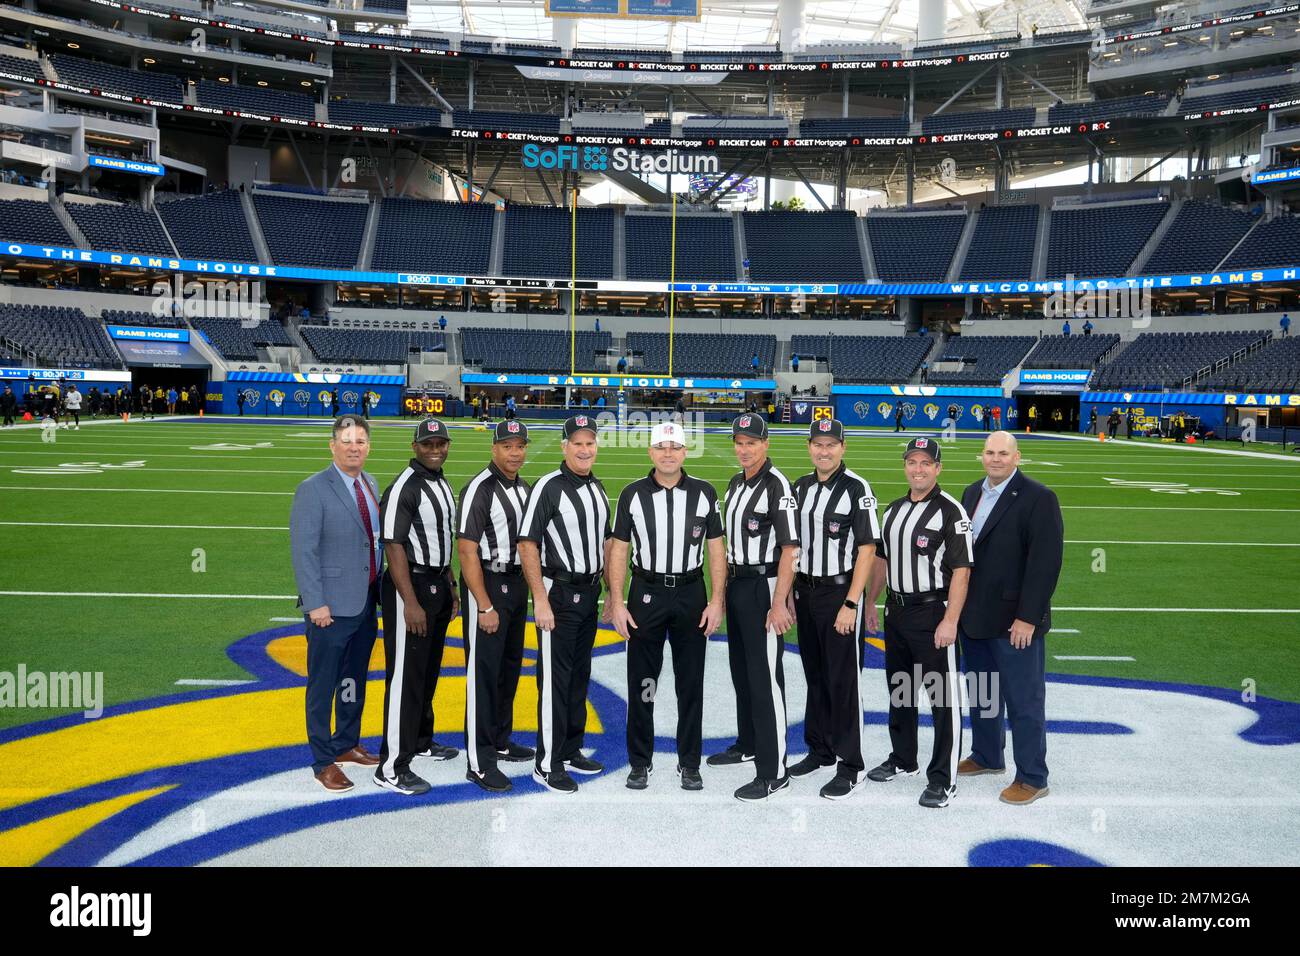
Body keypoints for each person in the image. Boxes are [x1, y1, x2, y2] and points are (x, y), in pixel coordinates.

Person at [606, 420, 724, 792]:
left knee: (690, 685)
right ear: (651, 452)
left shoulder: (705, 493)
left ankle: (689, 763)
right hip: (646, 593)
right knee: (644, 682)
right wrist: (617, 601)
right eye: (661, 447)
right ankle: (640, 762)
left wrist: (717, 599)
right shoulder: (632, 494)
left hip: (691, 593)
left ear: (685, 452)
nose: (668, 453)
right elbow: (619, 550)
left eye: (675, 447)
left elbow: (717, 549)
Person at [864, 437, 973, 809]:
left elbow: (962, 572)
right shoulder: (892, 511)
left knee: (942, 700)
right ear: (905, 466)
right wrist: (870, 604)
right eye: (912, 461)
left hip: (932, 613)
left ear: (938, 468)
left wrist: (950, 621)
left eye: (926, 462)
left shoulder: (951, 512)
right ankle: (904, 758)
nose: (918, 468)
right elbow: (881, 561)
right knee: (901, 691)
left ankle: (944, 779)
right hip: (897, 612)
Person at [957, 431, 1064, 805]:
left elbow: (1045, 564)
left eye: (1004, 453)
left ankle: (1033, 777)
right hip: (975, 617)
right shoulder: (971, 493)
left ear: (1017, 458)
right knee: (983, 693)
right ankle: (987, 755)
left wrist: (1028, 617)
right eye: (990, 452)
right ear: (981, 456)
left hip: (1015, 621)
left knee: (1023, 700)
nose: (996, 459)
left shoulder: (1038, 498)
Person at [289, 415, 385, 793]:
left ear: (368, 446)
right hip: (329, 608)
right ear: (332, 446)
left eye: (360, 440)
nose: (354, 446)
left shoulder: (370, 482)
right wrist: (316, 603)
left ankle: (346, 742)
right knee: (323, 684)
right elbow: (304, 551)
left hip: (363, 603)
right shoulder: (312, 488)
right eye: (346, 440)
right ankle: (323, 760)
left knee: (352, 678)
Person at [519, 414, 612, 794]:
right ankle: (546, 763)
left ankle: (571, 748)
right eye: (577, 443)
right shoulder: (549, 486)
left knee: (578, 677)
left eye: (590, 442)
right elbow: (528, 544)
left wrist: (610, 594)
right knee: (555, 682)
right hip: (558, 594)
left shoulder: (598, 488)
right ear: (564, 446)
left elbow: (605, 544)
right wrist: (539, 600)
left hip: (589, 594)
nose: (584, 449)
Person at [709, 412, 799, 802]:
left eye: (752, 442)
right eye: (739, 442)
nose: (744, 449)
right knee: (742, 672)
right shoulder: (735, 483)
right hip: (739, 583)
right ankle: (748, 742)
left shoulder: (777, 486)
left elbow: (791, 548)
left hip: (765, 586)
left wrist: (779, 602)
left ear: (766, 444)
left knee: (764, 678)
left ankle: (774, 769)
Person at [790, 418, 880, 800]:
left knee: (844, 682)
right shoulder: (800, 487)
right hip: (806, 592)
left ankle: (851, 763)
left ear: (843, 448)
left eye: (831, 445)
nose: (824, 451)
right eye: (817, 444)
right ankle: (821, 750)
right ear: (809, 446)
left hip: (839, 594)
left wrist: (851, 603)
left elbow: (868, 550)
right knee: (815, 676)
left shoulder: (857, 489)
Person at [372, 418, 460, 795]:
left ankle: (421, 740)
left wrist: (452, 585)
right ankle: (391, 765)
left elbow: (443, 541)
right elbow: (393, 546)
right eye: (428, 444)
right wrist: (410, 601)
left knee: (427, 671)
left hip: (437, 581)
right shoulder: (404, 487)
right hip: (411, 585)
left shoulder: (439, 482)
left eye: (441, 443)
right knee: (406, 677)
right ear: (415, 446)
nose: (435, 450)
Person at [459, 419, 535, 793]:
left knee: (508, 668)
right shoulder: (480, 488)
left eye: (520, 446)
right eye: (508, 446)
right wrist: (484, 604)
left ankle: (500, 740)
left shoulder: (523, 488)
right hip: (488, 583)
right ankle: (479, 760)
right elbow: (467, 550)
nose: (515, 452)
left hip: (517, 584)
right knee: (484, 675)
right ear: (494, 449)